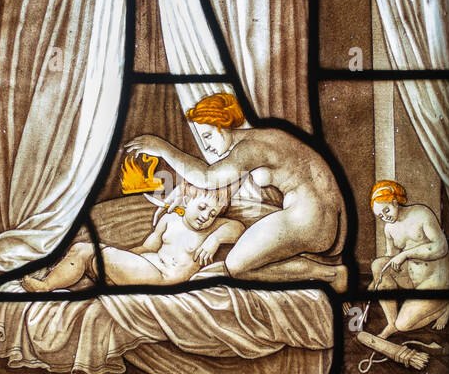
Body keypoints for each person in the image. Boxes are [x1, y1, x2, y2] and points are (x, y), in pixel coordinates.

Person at [125, 92, 348, 290]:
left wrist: (163, 149)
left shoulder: (249, 149)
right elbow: (222, 184)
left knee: (236, 266)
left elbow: (208, 177)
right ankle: (325, 274)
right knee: (246, 262)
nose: (207, 146)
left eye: (208, 136)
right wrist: (182, 194)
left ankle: (329, 275)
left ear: (223, 126)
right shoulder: (262, 138)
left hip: (309, 218)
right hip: (325, 218)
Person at [21, 183, 244, 292]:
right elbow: (147, 248)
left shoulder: (212, 229)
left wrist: (214, 240)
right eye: (203, 207)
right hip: (144, 268)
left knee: (91, 253)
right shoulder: (169, 219)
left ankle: (47, 286)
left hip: (162, 277)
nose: (206, 216)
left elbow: (238, 228)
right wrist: (120, 257)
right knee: (85, 255)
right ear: (187, 201)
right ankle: (52, 283)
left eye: (213, 213)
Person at [368, 179, 449, 337]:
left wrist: (406, 254)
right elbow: (390, 259)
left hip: (436, 278)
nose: (385, 217)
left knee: (404, 325)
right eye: (380, 215)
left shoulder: (421, 213)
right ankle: (391, 323)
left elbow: (441, 247)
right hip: (413, 277)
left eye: (386, 210)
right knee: (378, 265)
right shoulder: (389, 229)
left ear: (395, 202)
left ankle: (445, 304)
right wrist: (375, 281)